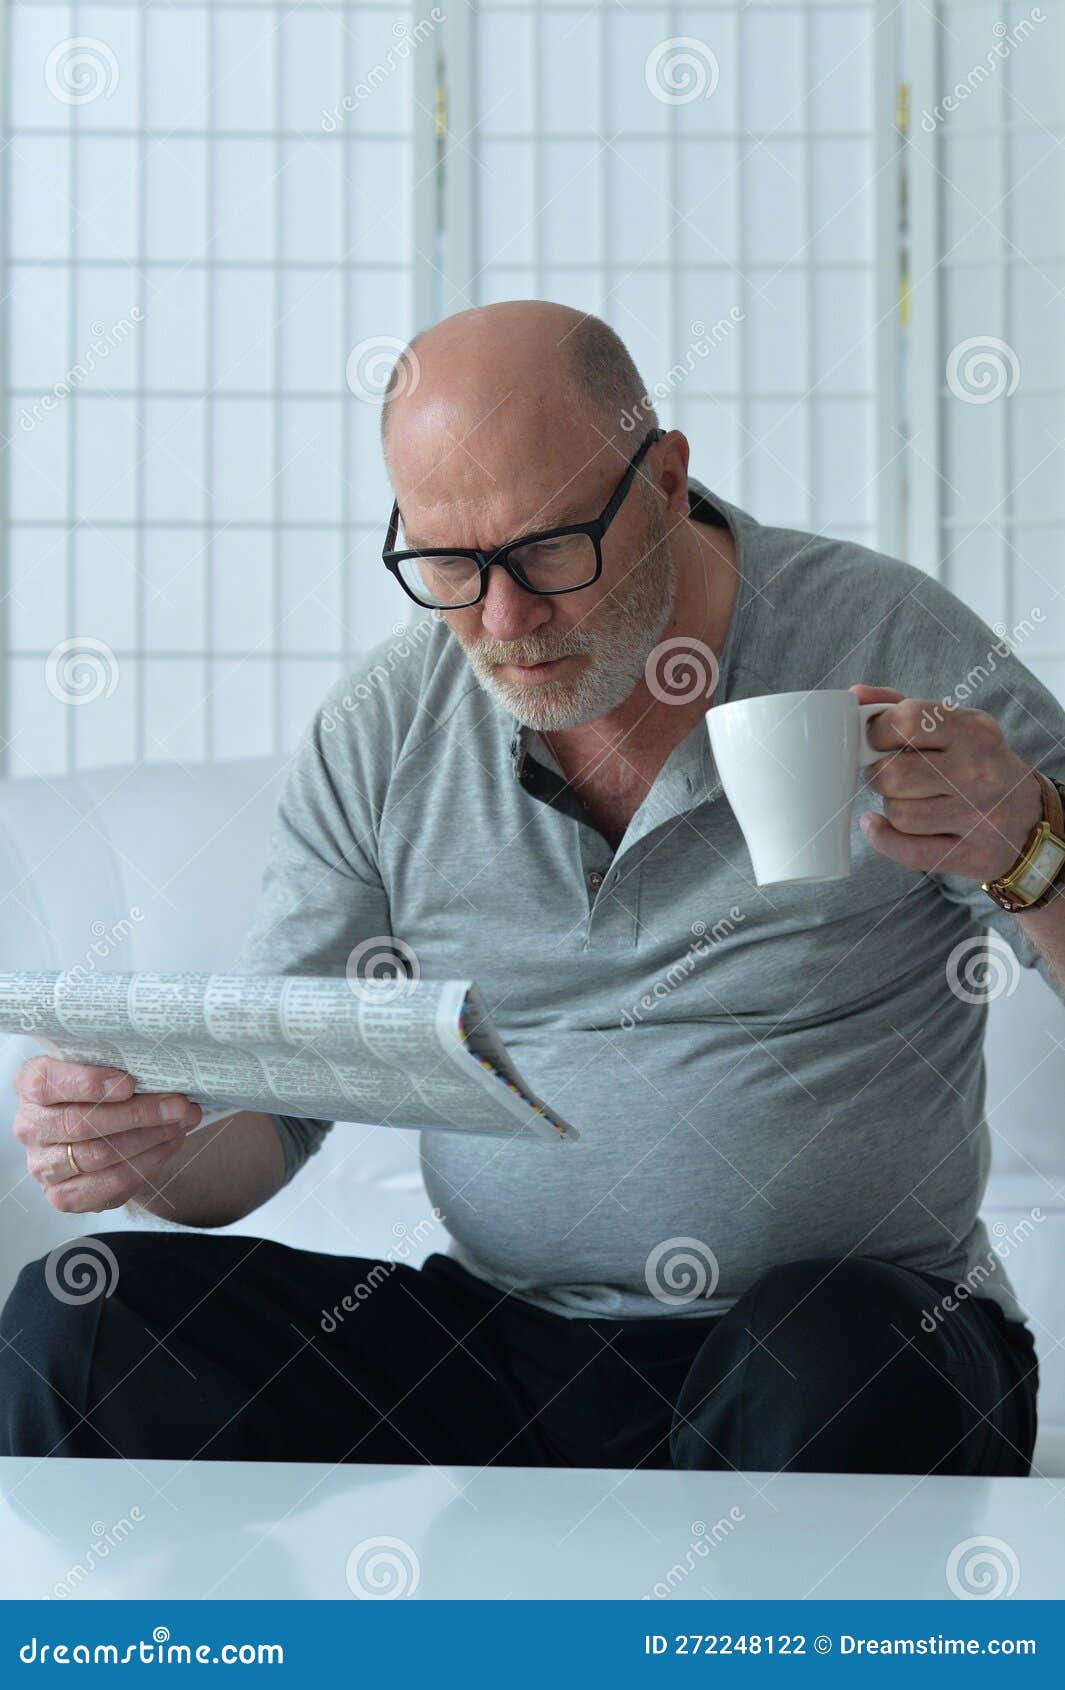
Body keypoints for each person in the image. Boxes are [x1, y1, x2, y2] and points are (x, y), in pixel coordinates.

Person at [3, 300, 1062, 1475]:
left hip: (861, 1339)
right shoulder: (388, 726)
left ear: (664, 483)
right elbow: (275, 1106)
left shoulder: (891, 637)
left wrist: (1029, 849)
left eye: (550, 551)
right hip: (509, 1347)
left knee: (823, 1366)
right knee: (80, 1326)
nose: (505, 621)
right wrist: (159, 1152)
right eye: (449, 564)